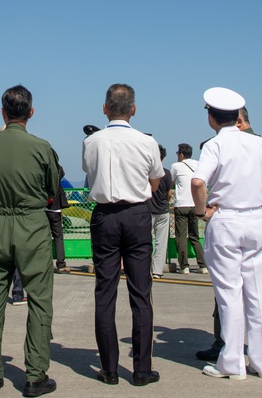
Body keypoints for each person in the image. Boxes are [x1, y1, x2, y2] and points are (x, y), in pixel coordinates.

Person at [192, 88, 262, 380]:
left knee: (229, 294)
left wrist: (202, 212)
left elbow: (198, 182)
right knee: (258, 292)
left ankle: (232, 363)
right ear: (238, 116)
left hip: (227, 220)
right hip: (256, 219)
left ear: (211, 118)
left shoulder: (214, 145)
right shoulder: (259, 143)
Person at [0, 85, 61, 397]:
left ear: (3, 113)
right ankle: (35, 375)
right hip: (31, 224)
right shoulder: (41, 147)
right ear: (31, 112)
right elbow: (52, 187)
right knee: (39, 298)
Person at [82, 83, 163, 386]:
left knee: (105, 292)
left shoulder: (92, 142)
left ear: (105, 108)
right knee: (141, 293)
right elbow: (155, 180)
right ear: (133, 109)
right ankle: (142, 369)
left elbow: (90, 173)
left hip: (104, 215)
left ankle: (109, 368)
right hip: (137, 214)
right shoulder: (146, 141)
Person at [171, 143, 207, 274]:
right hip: (195, 205)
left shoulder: (176, 166)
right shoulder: (197, 164)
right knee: (195, 236)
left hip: (181, 204)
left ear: (181, 154)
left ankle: (184, 266)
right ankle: (202, 265)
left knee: (181, 236)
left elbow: (173, 181)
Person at [148, 145, 174, 278]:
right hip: (163, 210)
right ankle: (158, 271)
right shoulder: (167, 173)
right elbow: (170, 192)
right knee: (161, 243)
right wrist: (165, 200)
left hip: (148, 210)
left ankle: (146, 268)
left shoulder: (147, 173)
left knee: (145, 241)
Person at [46, 165, 70, 275]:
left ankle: (45, 264)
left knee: (44, 237)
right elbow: (62, 172)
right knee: (58, 237)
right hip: (56, 209)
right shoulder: (58, 174)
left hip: (44, 209)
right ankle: (61, 264)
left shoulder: (43, 175)